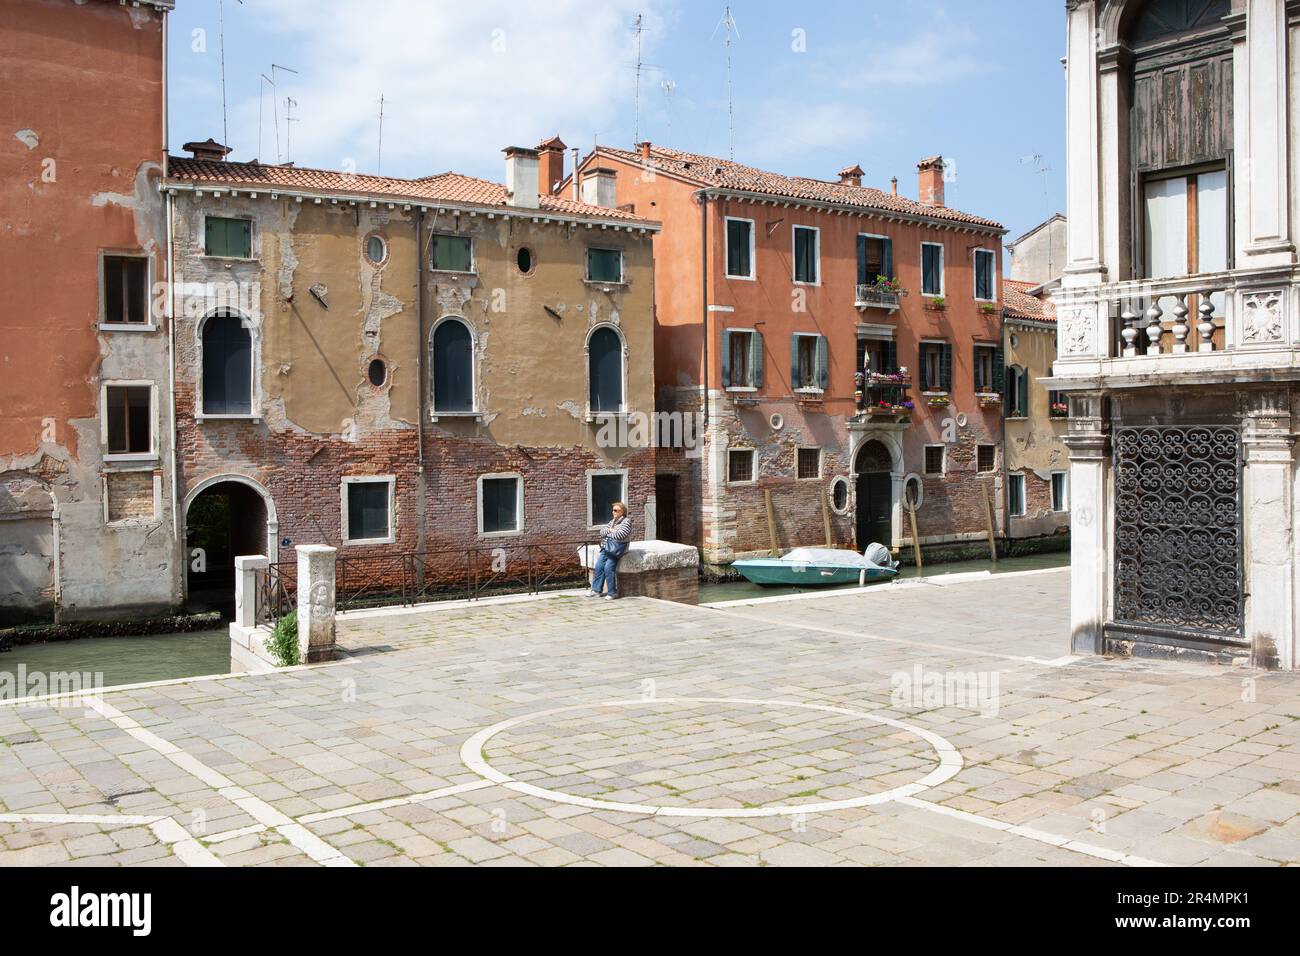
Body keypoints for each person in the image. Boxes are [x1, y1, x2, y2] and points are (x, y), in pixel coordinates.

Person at [587, 501, 633, 600]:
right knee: (599, 566)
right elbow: (601, 532)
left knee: (608, 568)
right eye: (613, 510)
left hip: (617, 550)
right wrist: (610, 531)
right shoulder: (612, 522)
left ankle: (612, 593)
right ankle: (596, 590)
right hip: (607, 548)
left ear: (622, 512)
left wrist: (609, 533)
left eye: (616, 510)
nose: (613, 512)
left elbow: (621, 535)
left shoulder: (626, 522)